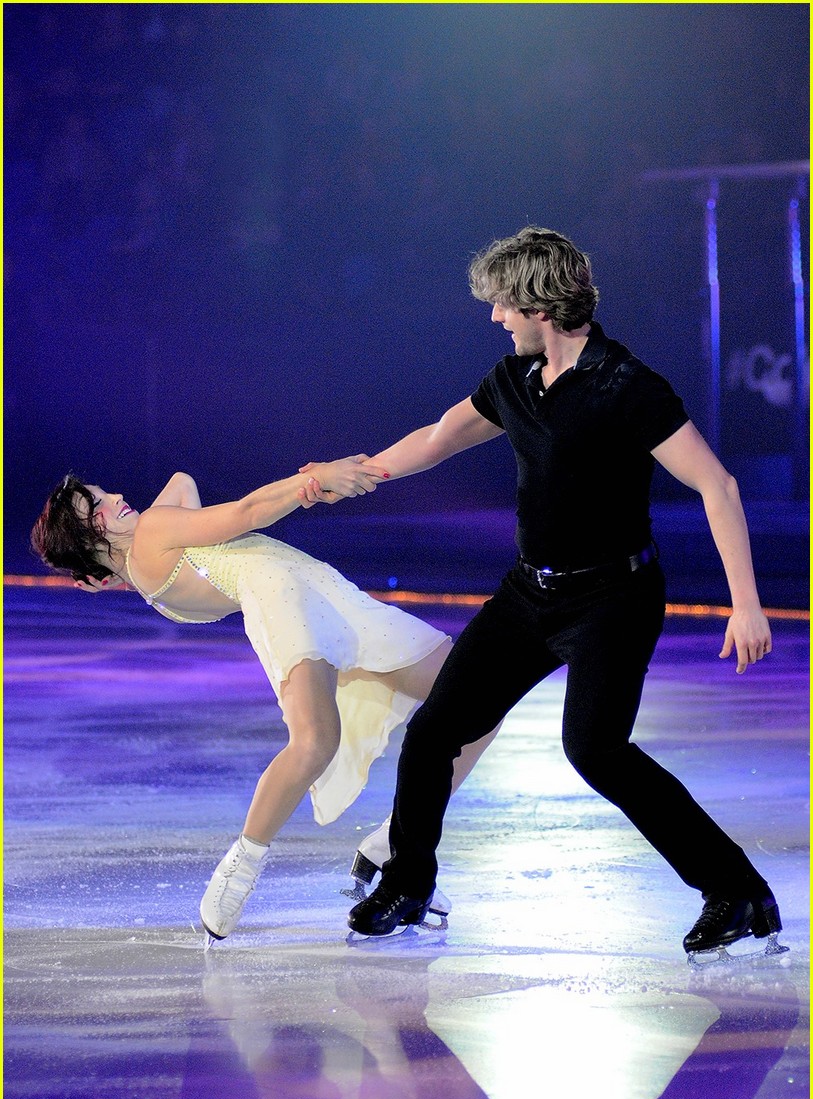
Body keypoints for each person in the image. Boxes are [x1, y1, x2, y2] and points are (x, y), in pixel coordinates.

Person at [302, 226, 781, 956]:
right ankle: (409, 881)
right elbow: (435, 438)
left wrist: (744, 603)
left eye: (501, 303)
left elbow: (716, 484)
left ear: (538, 305)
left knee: (596, 751)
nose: (494, 317)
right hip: (529, 595)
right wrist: (356, 474)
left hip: (613, 599)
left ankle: (735, 891)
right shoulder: (514, 382)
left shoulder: (626, 385)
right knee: (433, 731)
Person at [30, 463, 498, 943]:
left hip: (323, 592)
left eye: (105, 489)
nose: (115, 496)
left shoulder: (146, 568)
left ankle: (396, 842)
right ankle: (240, 867)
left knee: (478, 699)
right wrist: (312, 483)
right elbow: (247, 510)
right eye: (99, 508)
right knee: (315, 741)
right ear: (90, 543)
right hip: (286, 602)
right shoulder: (152, 533)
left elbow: (182, 480)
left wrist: (111, 564)